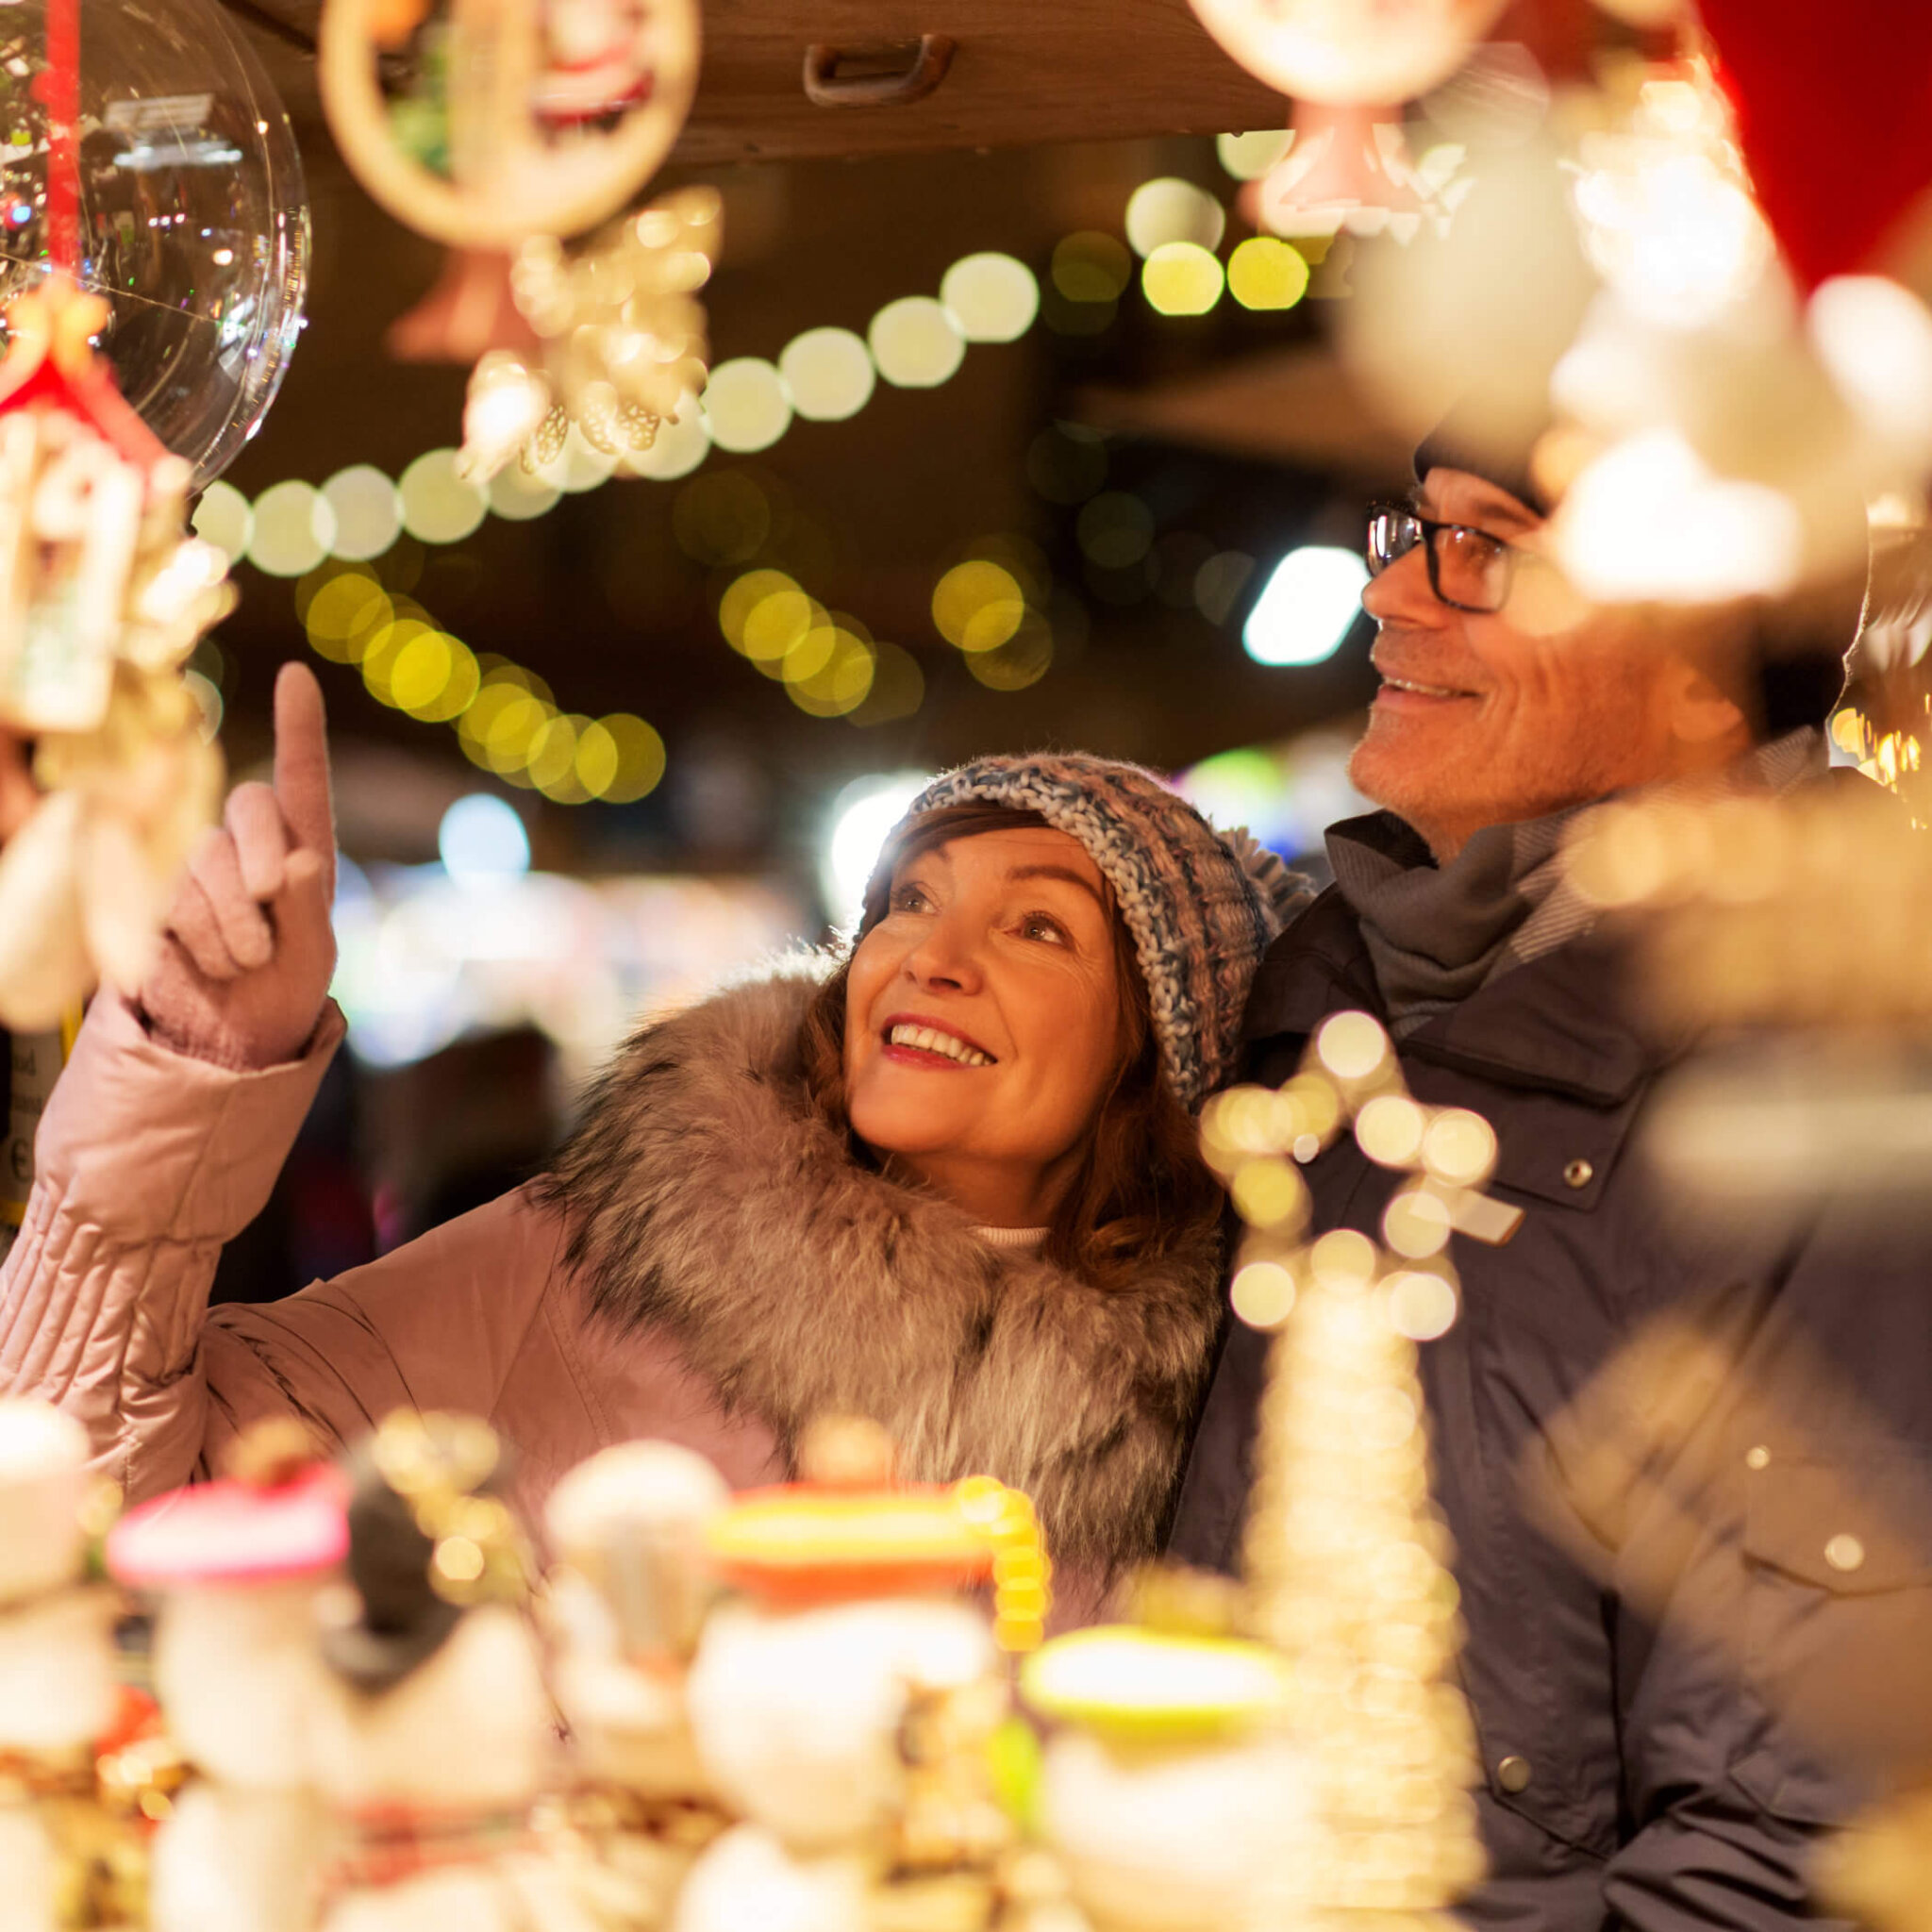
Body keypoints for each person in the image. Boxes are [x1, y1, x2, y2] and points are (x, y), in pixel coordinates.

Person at [0, 664, 1292, 1611]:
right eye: (909, 902)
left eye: (1038, 928)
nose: (930, 959)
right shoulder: (601, 1259)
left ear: (1158, 1054)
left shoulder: (1213, 1417)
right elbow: (86, 1493)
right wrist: (190, 1069)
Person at [1169, 420, 1910, 1928]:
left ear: (1709, 661)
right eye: (1411, 529)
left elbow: (1797, 1839)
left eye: (1490, 548)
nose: (1393, 596)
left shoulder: (1838, 1080)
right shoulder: (1318, 998)